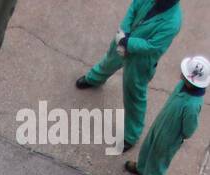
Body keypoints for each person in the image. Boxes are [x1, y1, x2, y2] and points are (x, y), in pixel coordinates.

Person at [76, 1, 183, 150]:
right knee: (108, 62)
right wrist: (123, 34)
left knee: (134, 95)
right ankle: (94, 78)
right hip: (122, 42)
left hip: (140, 61)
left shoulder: (173, 22)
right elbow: (133, 9)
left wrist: (127, 42)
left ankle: (131, 135)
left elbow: (153, 46)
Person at [126, 54, 209, 175]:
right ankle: (141, 167)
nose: (181, 74)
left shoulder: (192, 105)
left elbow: (189, 129)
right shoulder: (181, 86)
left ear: (192, 82)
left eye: (185, 74)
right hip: (160, 124)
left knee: (157, 163)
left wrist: (180, 136)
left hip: (170, 138)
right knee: (147, 146)